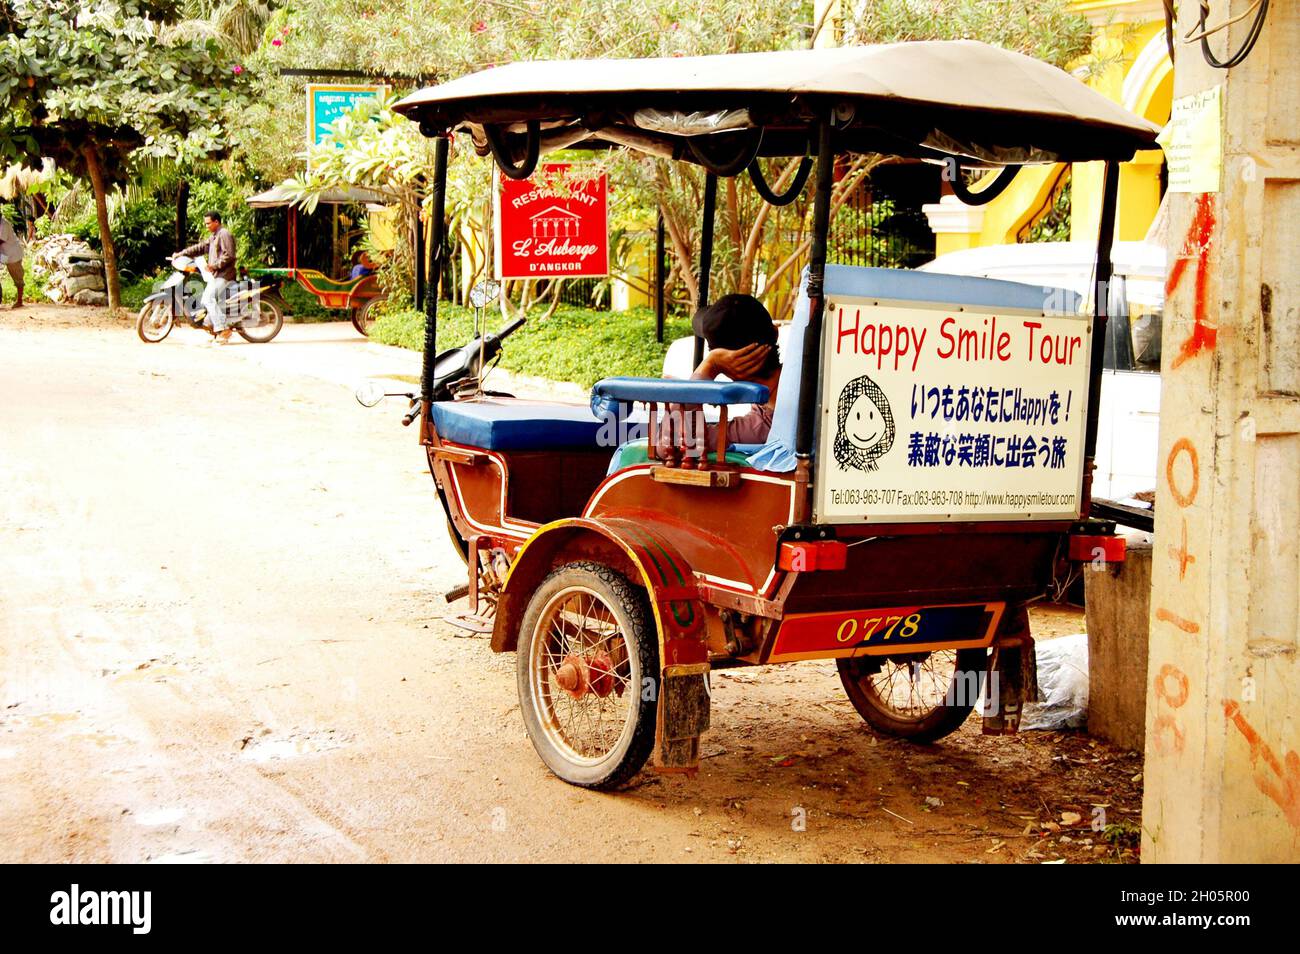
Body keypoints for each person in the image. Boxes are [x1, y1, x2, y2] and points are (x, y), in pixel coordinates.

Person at [688, 293, 782, 446]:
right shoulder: (798, 384)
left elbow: (678, 440)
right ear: (775, 333)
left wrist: (711, 364)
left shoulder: (761, 426)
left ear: (726, 361)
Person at [177, 211, 237, 344]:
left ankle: (223, 330)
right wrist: (181, 254)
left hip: (225, 275)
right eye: (205, 223)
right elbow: (200, 247)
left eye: (208, 223)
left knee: (208, 298)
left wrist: (214, 266)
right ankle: (215, 329)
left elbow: (229, 255)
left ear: (216, 222)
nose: (206, 226)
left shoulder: (224, 234)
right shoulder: (213, 237)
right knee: (205, 302)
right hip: (216, 275)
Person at [0, 212, 26, 309]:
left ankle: (19, 301)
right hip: (5, 254)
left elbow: (1, 240)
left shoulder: (4, 224)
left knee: (17, 278)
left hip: (13, 254)